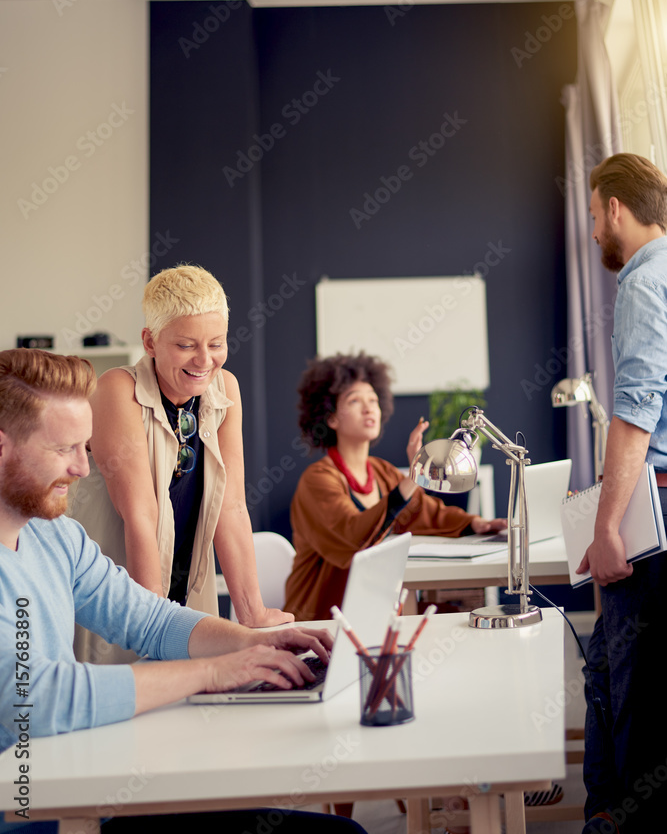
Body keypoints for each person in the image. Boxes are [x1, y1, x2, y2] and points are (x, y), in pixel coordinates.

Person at [0, 348, 366, 834]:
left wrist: (252, 643)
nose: (82, 469)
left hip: (80, 795)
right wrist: (211, 673)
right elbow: (37, 699)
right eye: (62, 449)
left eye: (83, 448)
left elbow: (148, 620)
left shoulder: (54, 535)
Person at [69, 264, 292, 664]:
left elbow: (232, 506)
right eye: (186, 345)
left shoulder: (225, 389)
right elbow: (141, 514)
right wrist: (153, 627)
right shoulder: (117, 390)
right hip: (124, 599)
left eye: (217, 343)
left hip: (189, 589)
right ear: (150, 342)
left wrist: (252, 614)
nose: (205, 360)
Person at [578, 153, 667, 834]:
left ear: (613, 207)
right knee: (610, 671)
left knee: (631, 689)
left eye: (591, 215)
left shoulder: (642, 282)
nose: (592, 232)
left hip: (653, 513)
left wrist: (607, 527)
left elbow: (635, 410)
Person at [284, 352, 506, 621]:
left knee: (458, 619)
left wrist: (475, 524)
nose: (369, 409)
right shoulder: (317, 480)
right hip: (324, 623)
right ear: (330, 418)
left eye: (373, 401)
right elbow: (353, 539)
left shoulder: (382, 472)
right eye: (354, 401)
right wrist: (415, 474)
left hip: (374, 610)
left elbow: (425, 513)